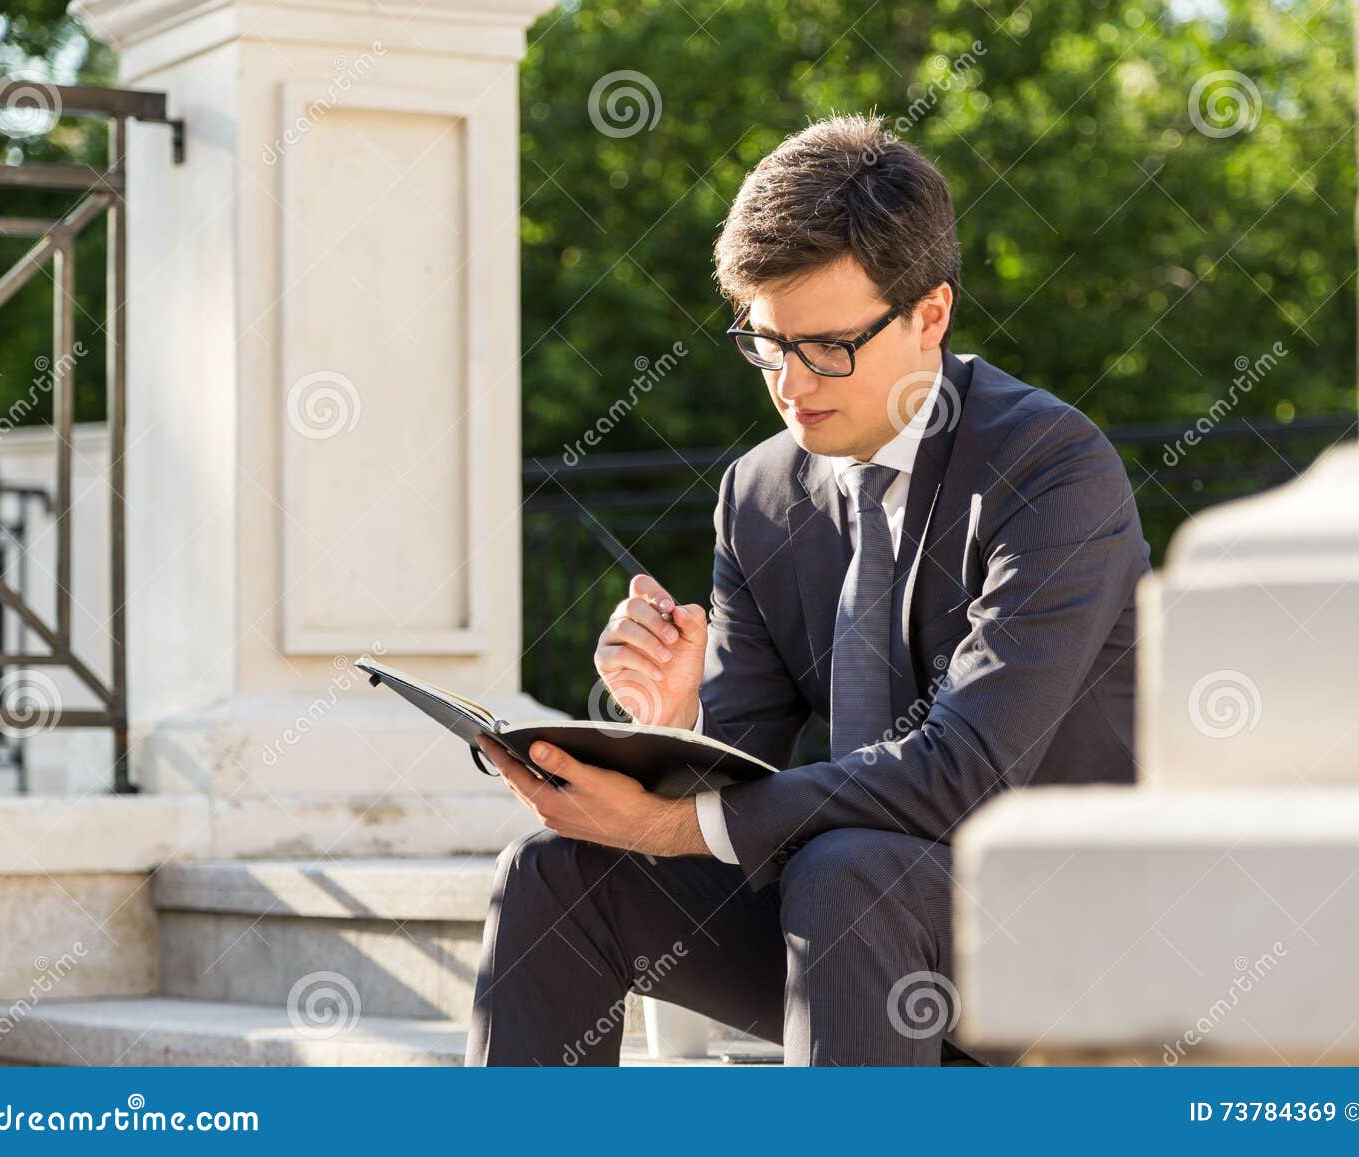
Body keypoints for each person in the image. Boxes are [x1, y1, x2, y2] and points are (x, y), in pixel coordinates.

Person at [466, 113, 1150, 1066]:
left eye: (826, 346)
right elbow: (745, 766)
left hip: (1059, 937)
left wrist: (676, 821)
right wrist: (671, 726)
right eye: (765, 342)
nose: (790, 383)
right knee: (556, 872)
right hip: (852, 926)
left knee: (842, 870)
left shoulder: (1051, 467)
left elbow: (965, 771)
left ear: (931, 316)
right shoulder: (759, 494)